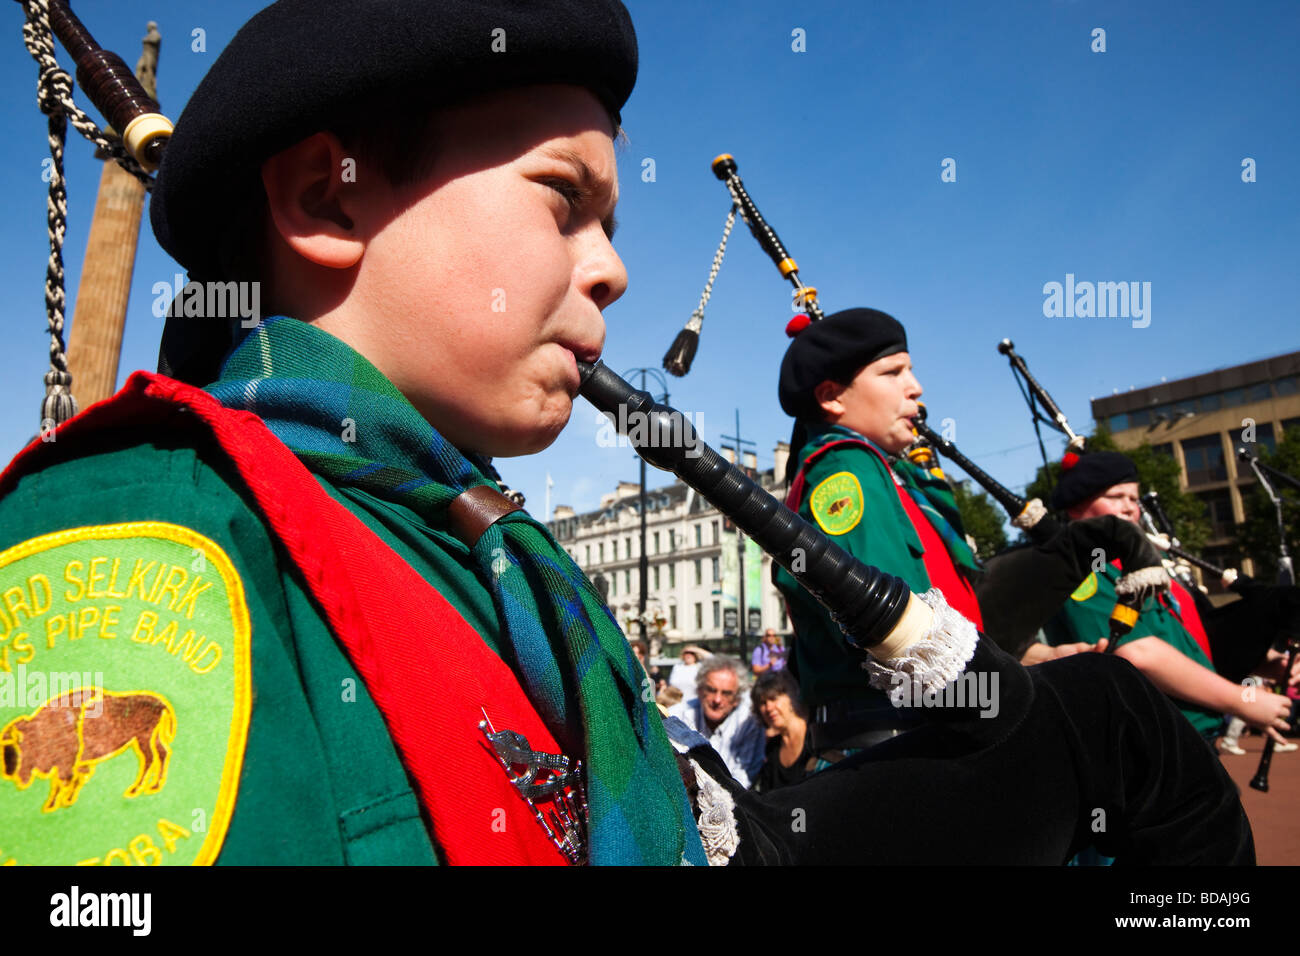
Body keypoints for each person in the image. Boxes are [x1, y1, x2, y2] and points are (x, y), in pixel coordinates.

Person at [0, 0, 1256, 866]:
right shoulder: (148, 547)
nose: (611, 269)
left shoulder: (435, 507)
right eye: (565, 200)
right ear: (326, 195)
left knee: (1107, 719)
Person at [1042, 452, 1296, 744]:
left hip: (1190, 733)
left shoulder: (1141, 562)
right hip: (1153, 738)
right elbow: (1136, 653)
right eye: (1116, 496)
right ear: (1075, 507)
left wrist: (1268, 662)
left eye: (1133, 499)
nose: (1129, 508)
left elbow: (1189, 639)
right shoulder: (1083, 570)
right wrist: (1240, 701)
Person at [667, 657, 766, 788]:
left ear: (737, 698)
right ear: (700, 690)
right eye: (711, 690)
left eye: (726, 693)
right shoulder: (676, 716)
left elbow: (743, 778)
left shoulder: (749, 722)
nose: (717, 699)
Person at [749, 670, 818, 792]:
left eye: (773, 698)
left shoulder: (816, 737)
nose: (769, 708)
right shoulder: (772, 748)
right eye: (763, 703)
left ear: (791, 698)